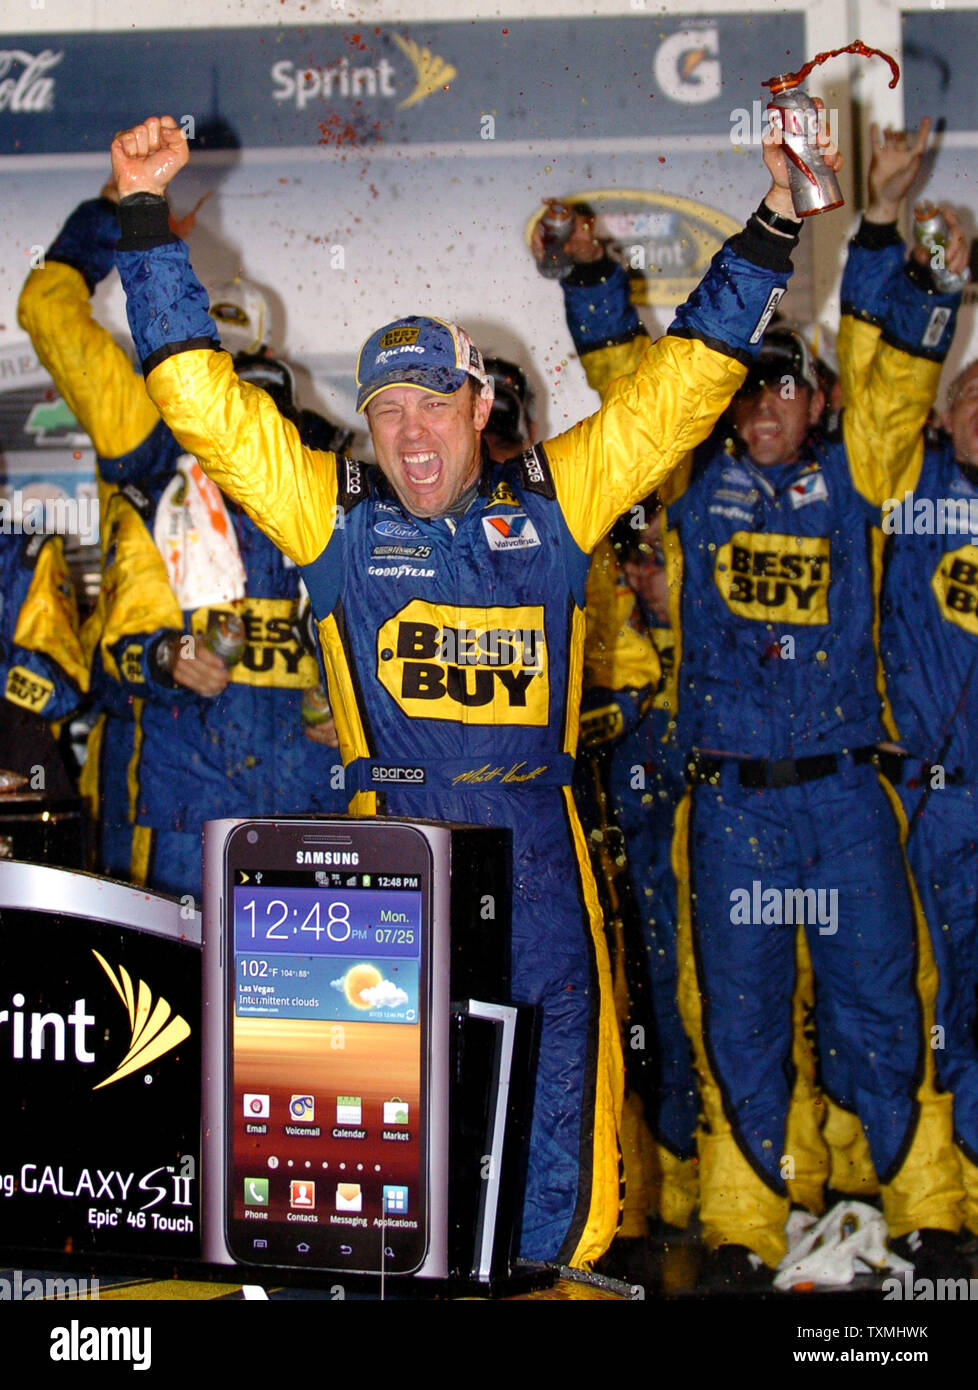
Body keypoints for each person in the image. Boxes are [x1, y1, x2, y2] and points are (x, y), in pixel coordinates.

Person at [106, 109, 833, 1266]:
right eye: (386, 408)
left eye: (432, 401)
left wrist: (778, 218)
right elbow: (201, 400)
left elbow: (681, 390)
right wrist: (145, 219)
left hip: (538, 839)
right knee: (374, 1145)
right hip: (392, 836)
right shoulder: (328, 512)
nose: (409, 429)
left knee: (557, 1128)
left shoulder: (555, 501)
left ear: (480, 406)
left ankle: (546, 1277)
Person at [552, 120, 968, 1283]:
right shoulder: (690, 481)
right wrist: (590, 275)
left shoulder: (864, 473)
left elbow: (897, 381)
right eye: (746, 390)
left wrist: (878, 220)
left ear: (820, 396)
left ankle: (924, 1206)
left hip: (845, 796)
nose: (758, 407)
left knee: (885, 1001)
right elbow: (634, 388)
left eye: (783, 388)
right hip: (727, 801)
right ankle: (741, 1224)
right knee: (732, 1016)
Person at [18, 187, 349, 897]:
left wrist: (357, 706)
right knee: (151, 1000)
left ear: (264, 356)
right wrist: (113, 212)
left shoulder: (334, 458)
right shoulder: (144, 425)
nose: (210, 372)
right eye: (198, 349)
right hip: (166, 792)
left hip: (308, 796)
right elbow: (48, 311)